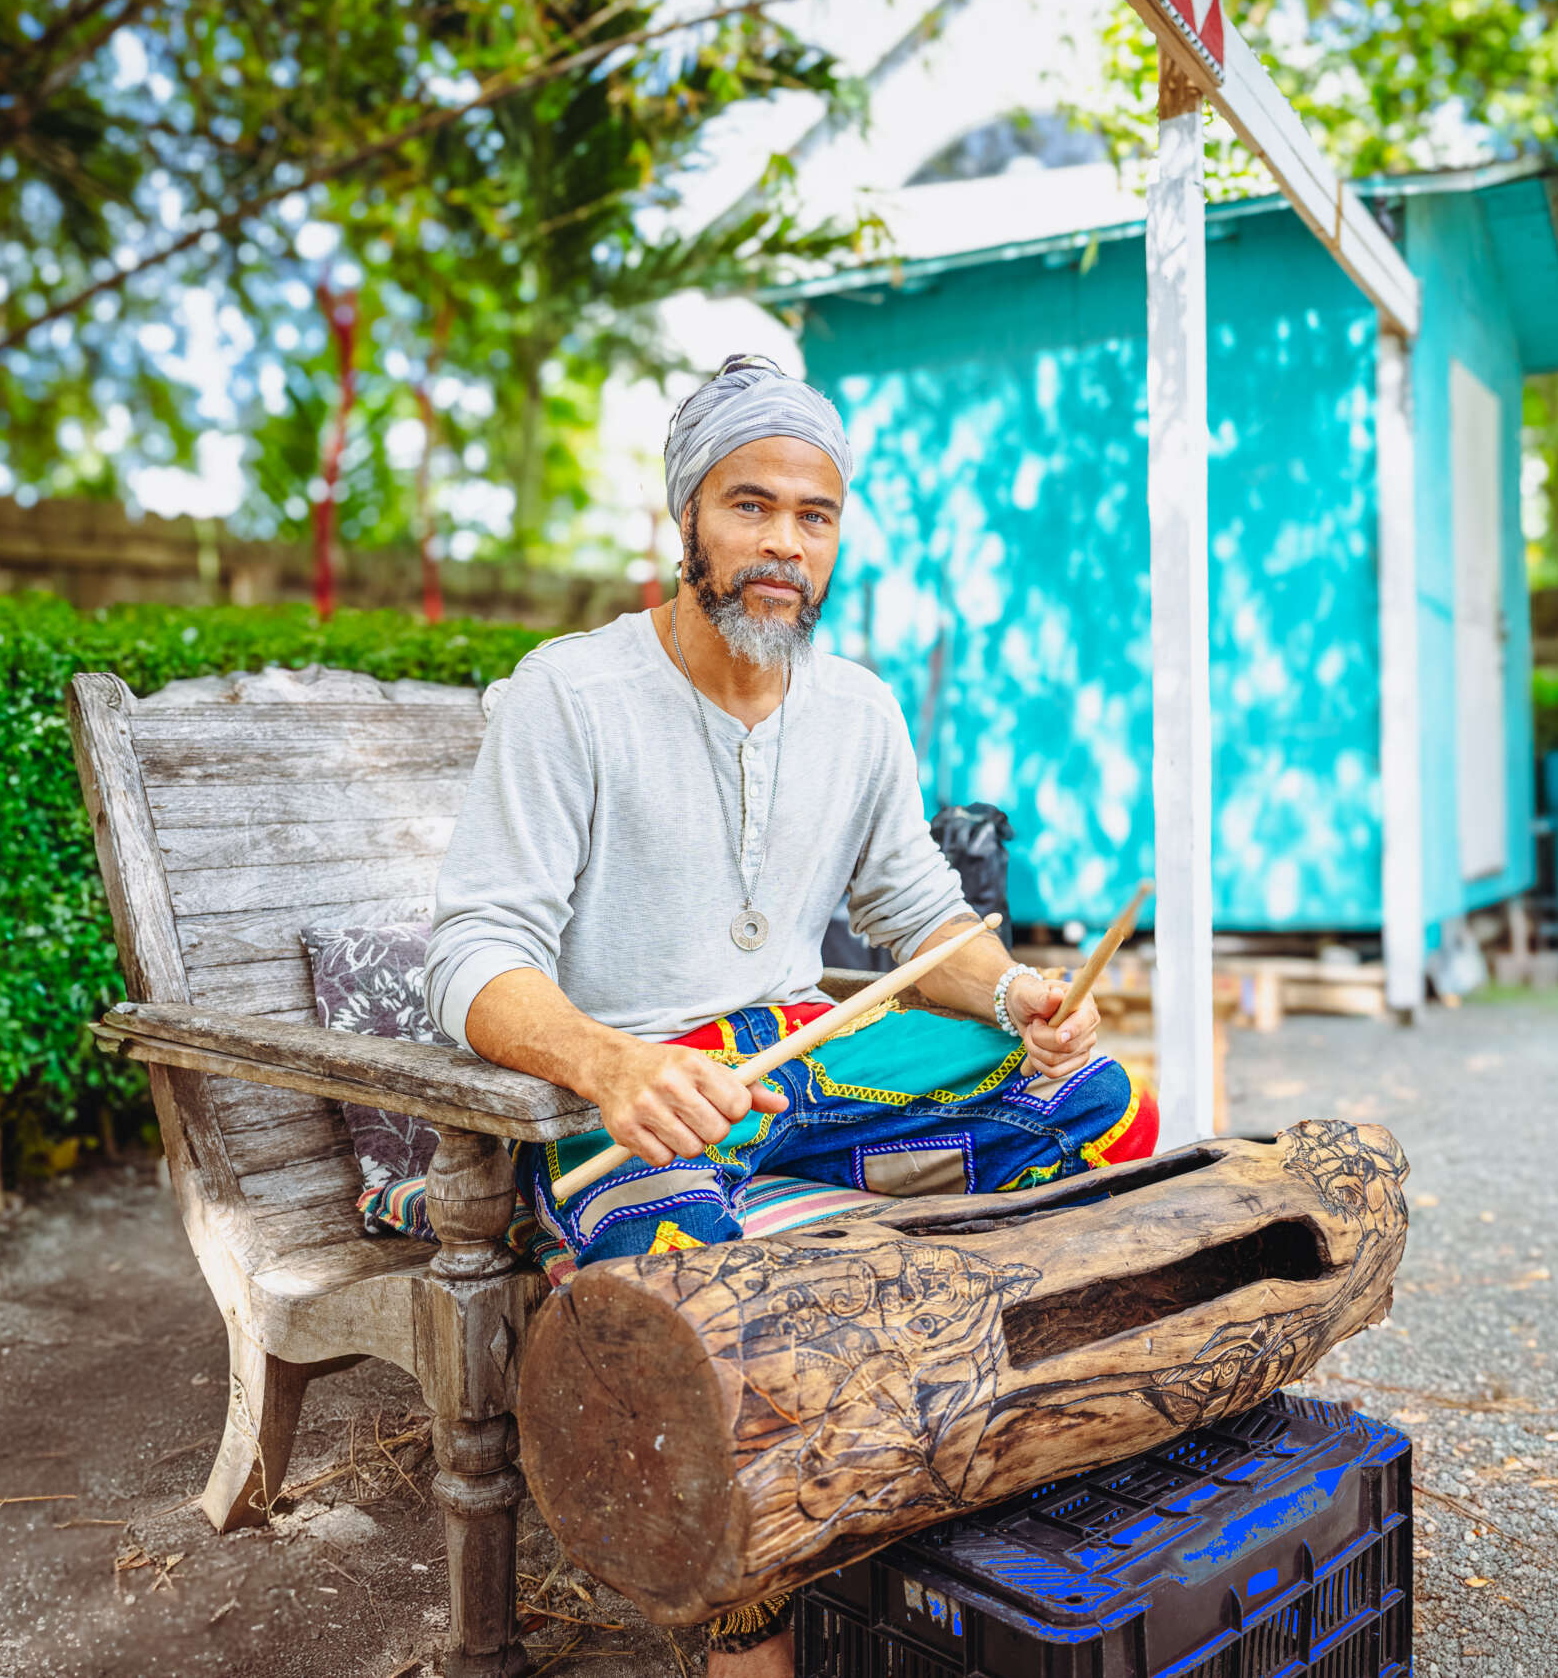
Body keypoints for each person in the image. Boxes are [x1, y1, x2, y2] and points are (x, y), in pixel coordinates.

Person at [426, 354, 1155, 1678]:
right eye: (749, 506)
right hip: (650, 1109)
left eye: (813, 518)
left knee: (1104, 1103)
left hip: (812, 1074)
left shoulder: (861, 709)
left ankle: (1008, 1442)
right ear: (685, 520)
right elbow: (472, 954)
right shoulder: (566, 695)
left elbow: (921, 918)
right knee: (701, 1310)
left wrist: (1017, 994)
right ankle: (749, 1633)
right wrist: (609, 1061)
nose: (783, 544)